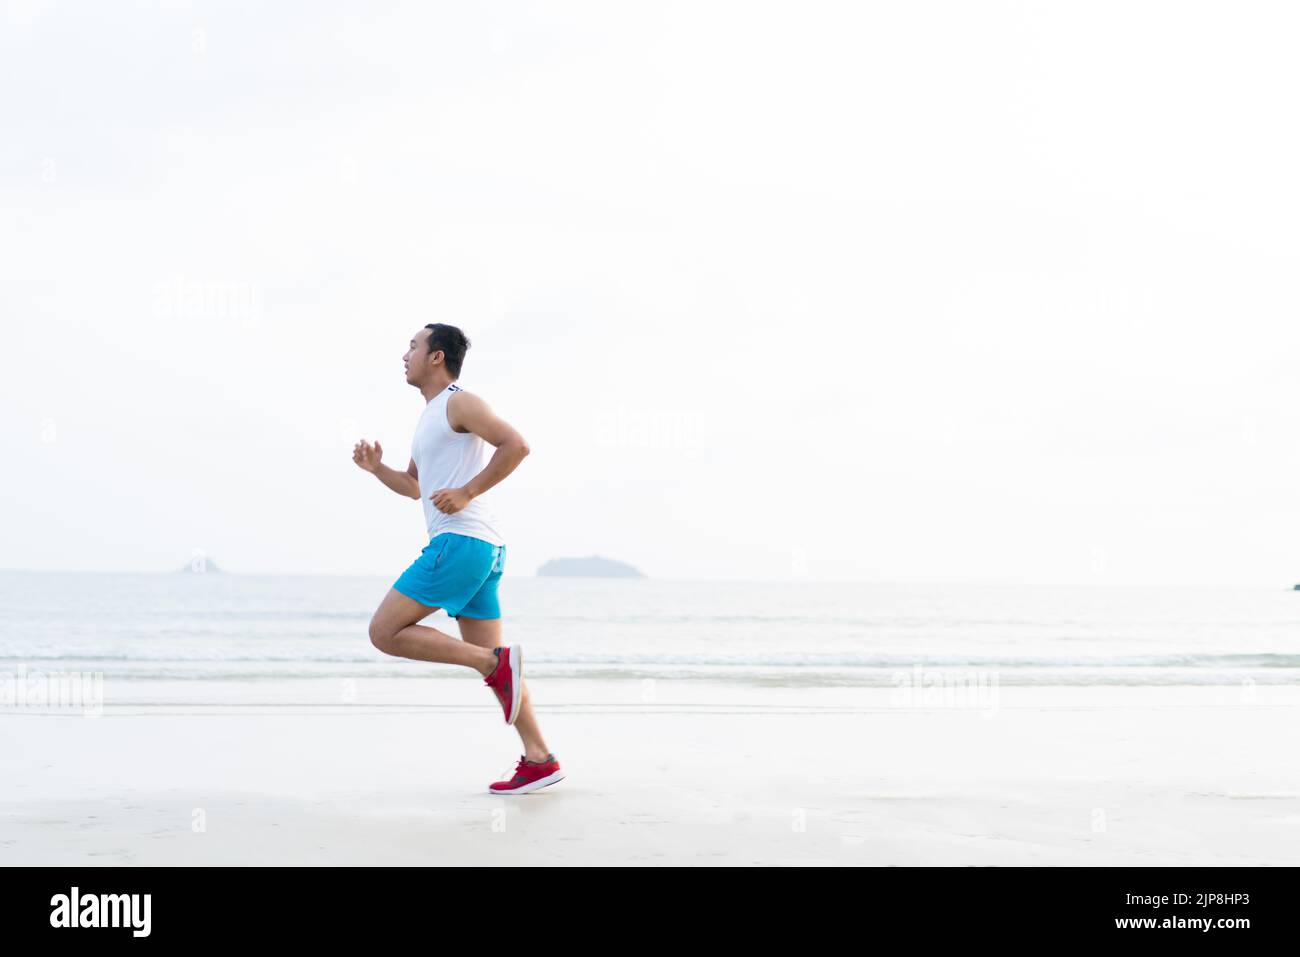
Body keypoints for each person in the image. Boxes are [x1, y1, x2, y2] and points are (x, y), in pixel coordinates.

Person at [353, 323, 563, 795]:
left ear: (436, 357)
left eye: (412, 346)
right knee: (499, 670)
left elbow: (517, 445)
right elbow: (415, 487)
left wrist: (468, 492)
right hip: (482, 551)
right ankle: (539, 758)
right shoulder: (429, 416)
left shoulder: (458, 401)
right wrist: (377, 469)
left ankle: (492, 663)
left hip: (461, 543)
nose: (404, 354)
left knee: (384, 632)